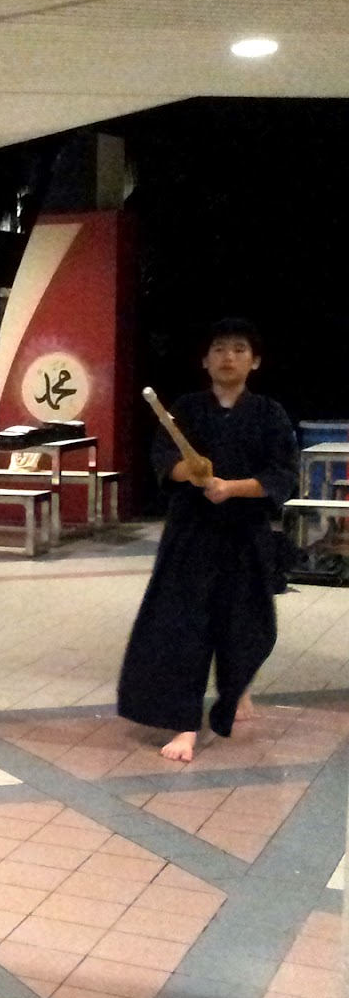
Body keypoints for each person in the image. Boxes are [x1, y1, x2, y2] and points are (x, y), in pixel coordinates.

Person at [117, 318, 297, 762]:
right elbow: (165, 458)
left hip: (245, 536)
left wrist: (231, 488)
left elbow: (281, 475)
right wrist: (191, 473)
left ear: (255, 361)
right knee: (185, 626)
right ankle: (185, 725)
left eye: (238, 349)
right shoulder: (186, 408)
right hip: (191, 535)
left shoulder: (270, 414)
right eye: (219, 349)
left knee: (246, 626)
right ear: (205, 359)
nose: (227, 357)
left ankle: (236, 689)